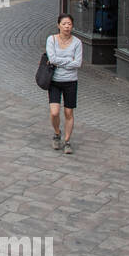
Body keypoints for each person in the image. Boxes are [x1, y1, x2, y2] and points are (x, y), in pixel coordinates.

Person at [47, 13, 82, 154]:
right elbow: (52, 58)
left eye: (69, 24)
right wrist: (69, 61)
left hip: (71, 81)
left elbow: (78, 63)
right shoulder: (52, 40)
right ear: (58, 25)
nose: (67, 27)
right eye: (64, 24)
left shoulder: (77, 43)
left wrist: (60, 62)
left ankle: (67, 141)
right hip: (54, 81)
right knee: (54, 112)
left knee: (68, 112)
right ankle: (57, 133)